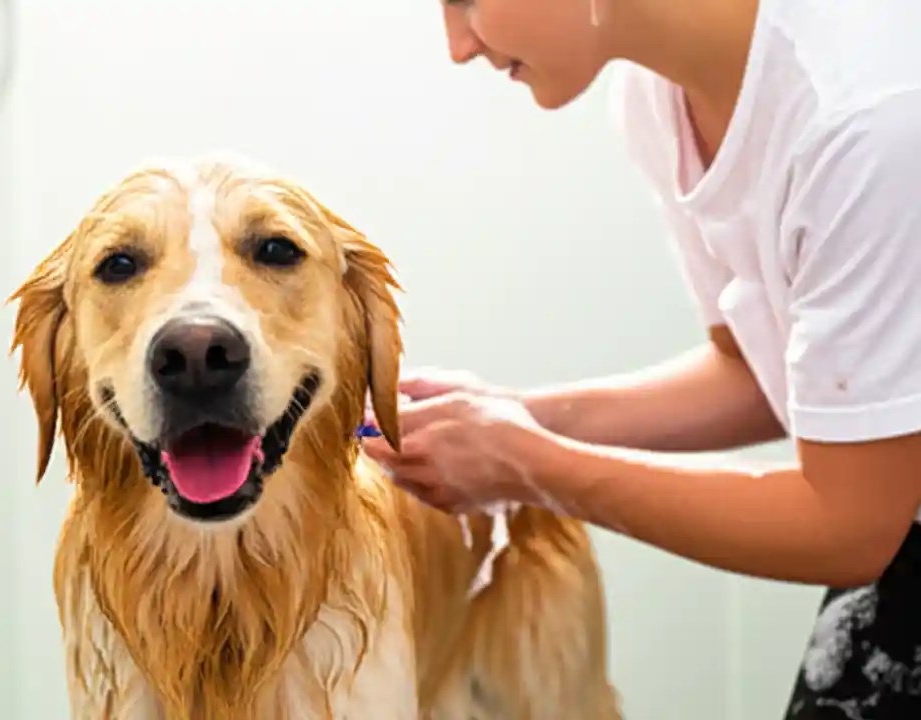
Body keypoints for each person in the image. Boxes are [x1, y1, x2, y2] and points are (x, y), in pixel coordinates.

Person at [360, 0, 921, 717]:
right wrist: (522, 419)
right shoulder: (659, 98)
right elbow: (762, 370)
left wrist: (531, 465)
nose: (457, 46)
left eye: (466, 0)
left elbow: (851, 527)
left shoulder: (865, 122)